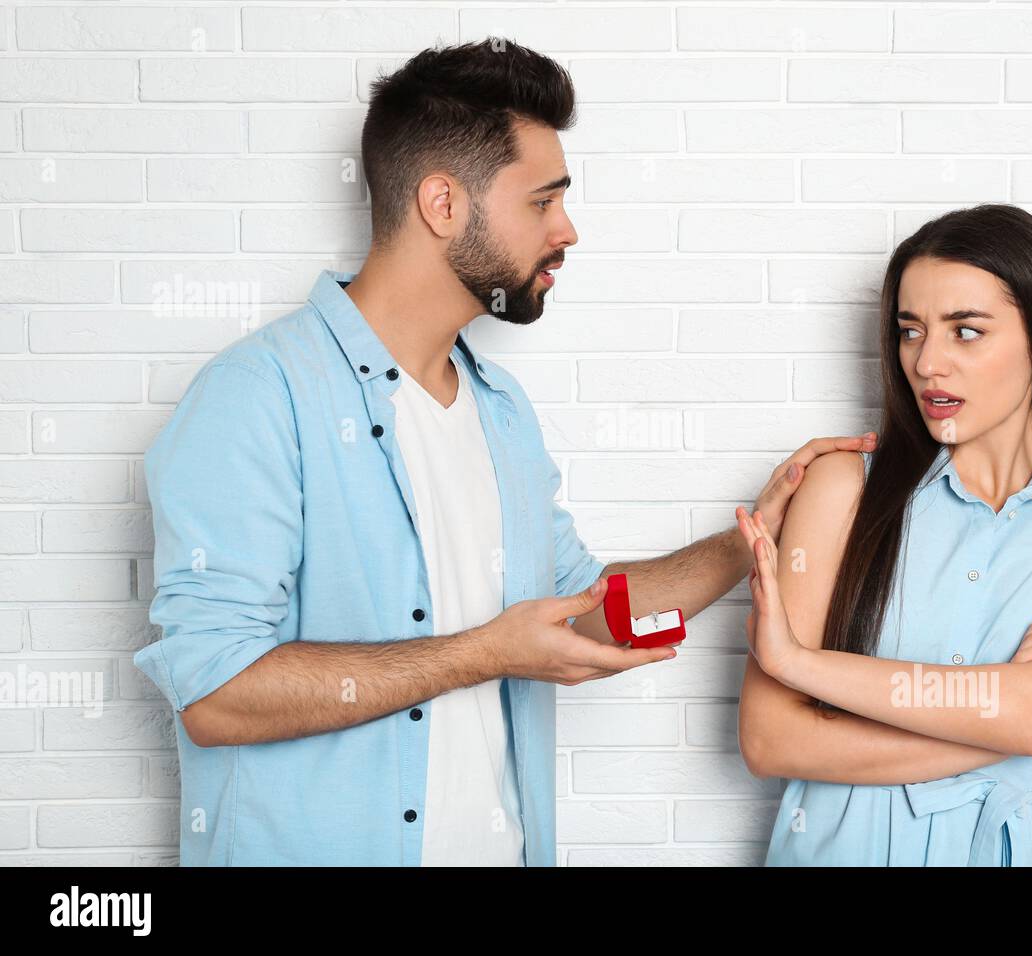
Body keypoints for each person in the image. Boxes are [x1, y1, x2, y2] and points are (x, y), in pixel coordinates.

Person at [133, 38, 874, 866]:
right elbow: (215, 692)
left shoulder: (500, 411)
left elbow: (581, 609)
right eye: (541, 201)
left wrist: (750, 544)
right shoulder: (256, 398)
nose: (568, 230)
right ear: (442, 204)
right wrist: (483, 653)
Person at [735, 204, 1032, 866]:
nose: (926, 363)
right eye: (910, 331)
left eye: (965, 332)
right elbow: (771, 741)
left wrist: (799, 664)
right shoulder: (840, 488)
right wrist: (999, 716)